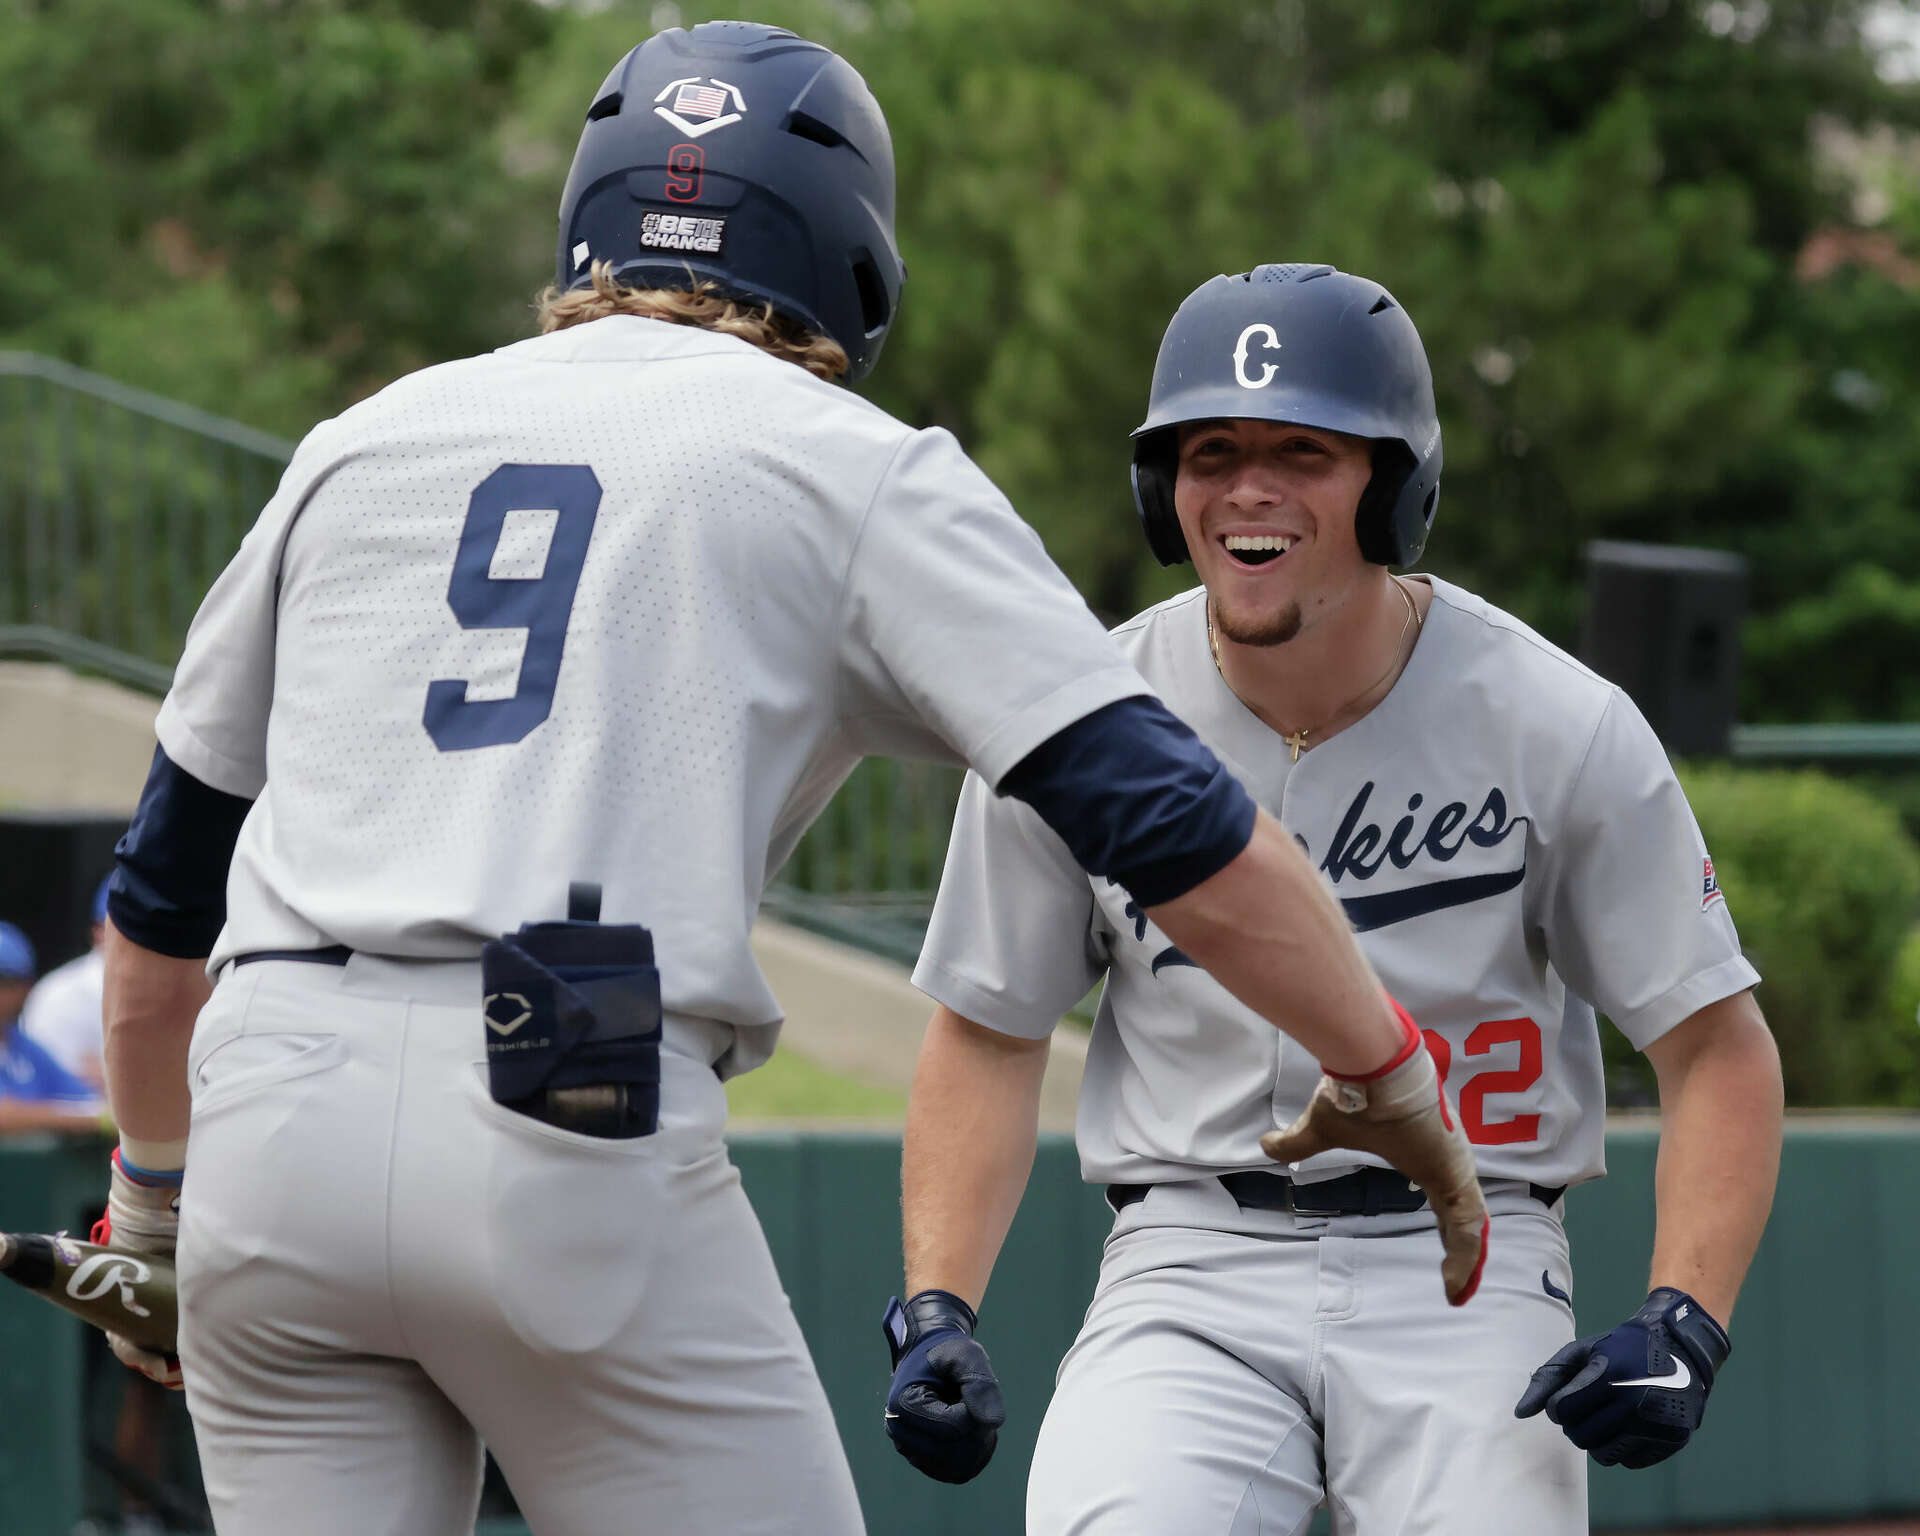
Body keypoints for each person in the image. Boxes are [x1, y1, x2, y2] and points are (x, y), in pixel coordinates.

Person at [94, 29, 1485, 1536]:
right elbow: (1181, 832)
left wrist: (154, 1206)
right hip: (569, 1062)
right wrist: (1386, 1065)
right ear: (852, 263)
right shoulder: (845, 460)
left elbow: (159, 915)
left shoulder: (361, 439)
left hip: (271, 1104)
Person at [898, 264, 1786, 1533]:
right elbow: (987, 1028)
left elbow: (1718, 1049)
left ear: (1396, 488)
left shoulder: (1557, 721)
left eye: (1301, 450)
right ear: (1162, 490)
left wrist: (1683, 1319)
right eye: (1211, 451)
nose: (1248, 488)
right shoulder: (1082, 721)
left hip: (1468, 1261)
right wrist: (939, 1303)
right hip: (1187, 1262)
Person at [0, 920, 105, 1133]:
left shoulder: (23, 1047)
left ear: (25, 988)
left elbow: (88, 1101)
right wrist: (94, 1121)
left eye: (3, 982)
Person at [22, 877, 111, 1090]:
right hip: (77, 1122)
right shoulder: (62, 992)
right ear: (99, 931)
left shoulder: (188, 985)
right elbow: (55, 1090)